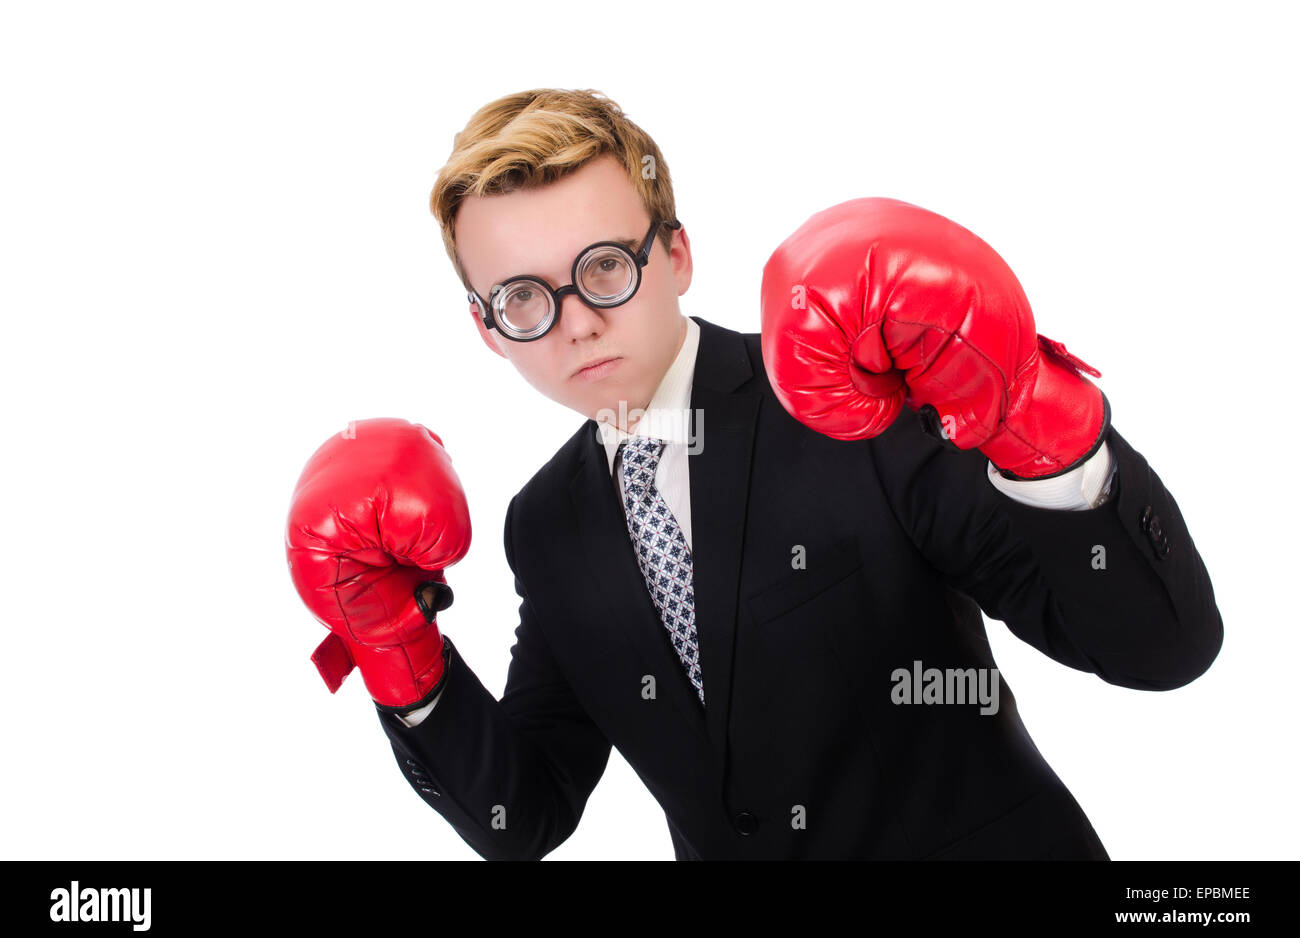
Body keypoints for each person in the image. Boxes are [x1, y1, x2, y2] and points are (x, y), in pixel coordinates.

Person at [285, 88, 1223, 860]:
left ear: (676, 254)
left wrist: (1036, 419)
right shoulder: (545, 522)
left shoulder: (848, 398)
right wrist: (392, 647)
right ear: (487, 328)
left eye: (604, 267)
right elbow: (524, 815)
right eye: (523, 297)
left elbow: (1159, 651)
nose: (576, 322)